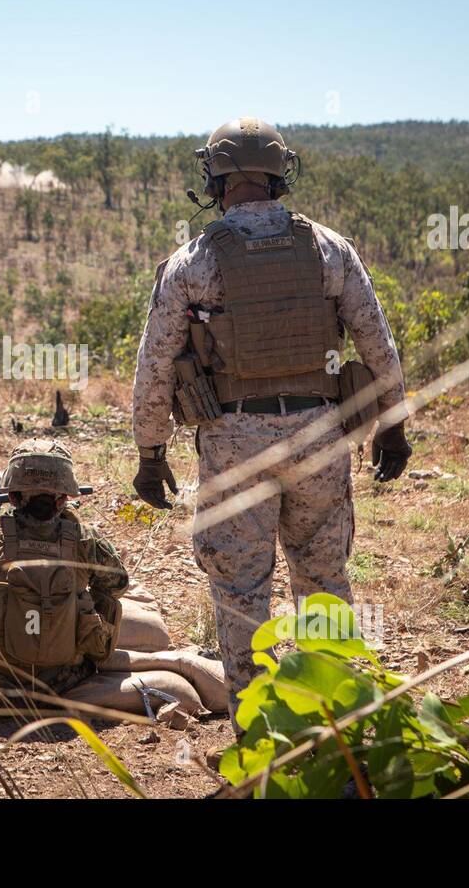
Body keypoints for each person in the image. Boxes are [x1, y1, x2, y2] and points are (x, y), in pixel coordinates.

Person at [131, 117, 411, 721]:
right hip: (318, 433)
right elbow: (376, 341)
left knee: (240, 591)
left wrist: (151, 454)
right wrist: (393, 424)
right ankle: (332, 725)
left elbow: (155, 364)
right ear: (279, 174)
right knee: (324, 579)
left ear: (218, 177)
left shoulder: (193, 261)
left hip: (235, 440)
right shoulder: (329, 248)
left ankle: (257, 732)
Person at [0, 440, 127, 705]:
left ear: (13, 496)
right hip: (65, 682)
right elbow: (118, 586)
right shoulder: (85, 539)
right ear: (64, 497)